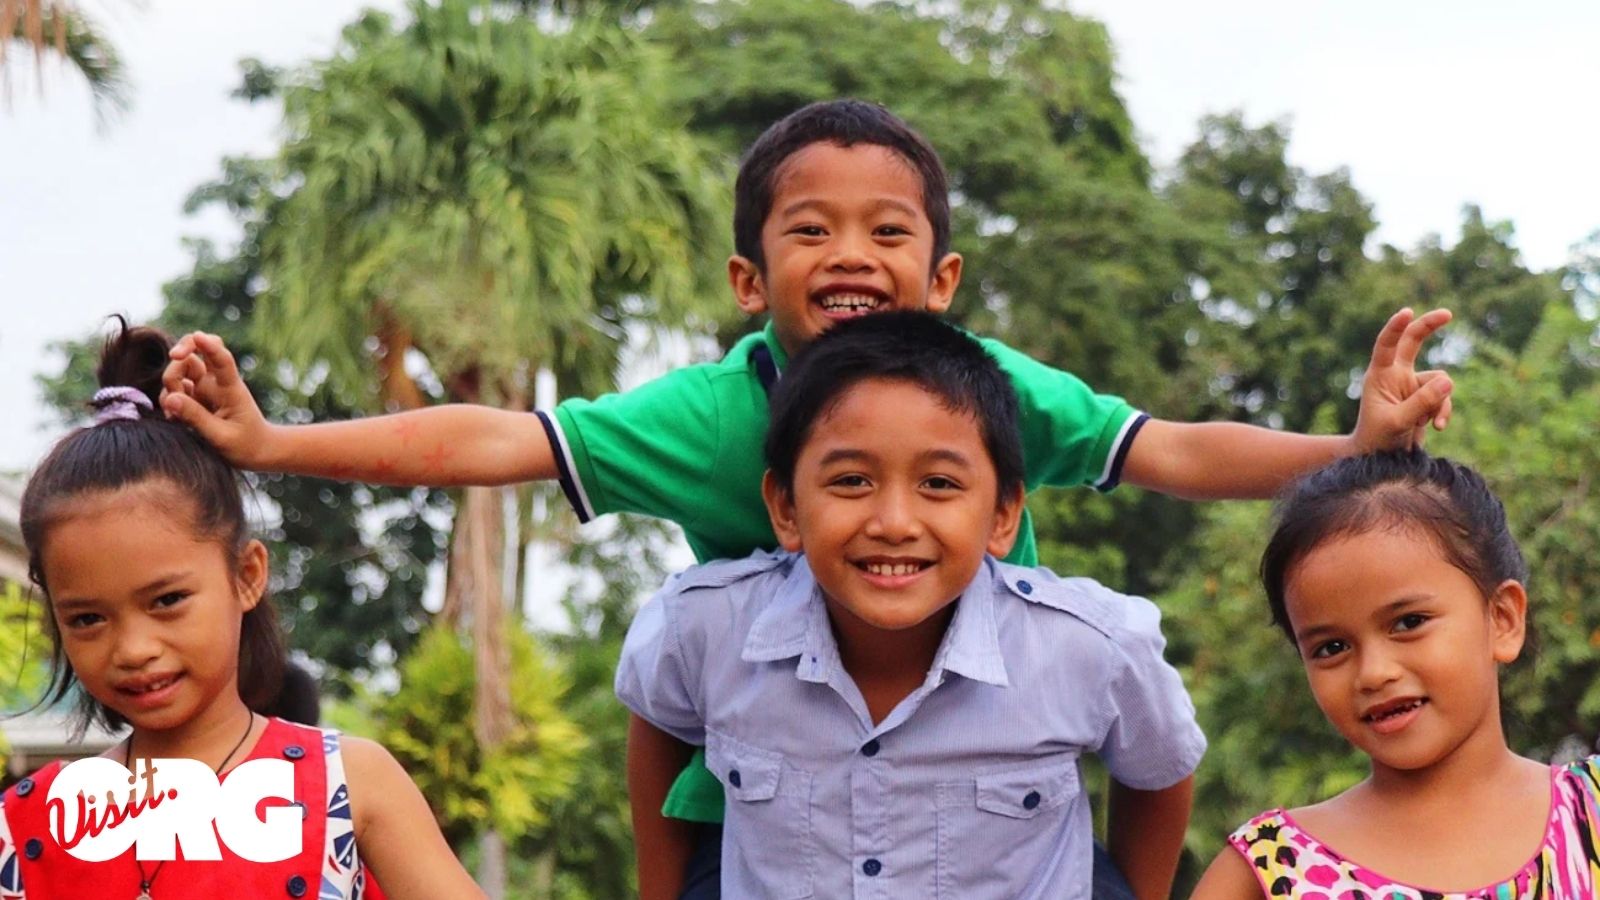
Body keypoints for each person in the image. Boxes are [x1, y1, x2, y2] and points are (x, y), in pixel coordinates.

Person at [157, 100, 1453, 898]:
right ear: (747, 278)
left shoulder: (994, 393)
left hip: (995, 812)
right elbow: (496, 441)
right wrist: (274, 442)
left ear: (941, 278)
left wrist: (1345, 444)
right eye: (810, 230)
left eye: (886, 231)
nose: (850, 254)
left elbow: (1169, 451)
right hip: (774, 809)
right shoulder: (712, 416)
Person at [616, 311, 1206, 899]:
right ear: (786, 508)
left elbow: (1160, 771)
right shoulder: (703, 628)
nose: (894, 524)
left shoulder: (1090, 648)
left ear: (1003, 514)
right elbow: (658, 723)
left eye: (939, 484)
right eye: (851, 481)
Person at [0, 323, 484, 900]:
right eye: (87, 619)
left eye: (167, 601)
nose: (133, 649)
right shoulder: (26, 827)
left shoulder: (349, 786)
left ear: (247, 575)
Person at [1191, 450, 1598, 899]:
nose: (1374, 673)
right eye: (1331, 648)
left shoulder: (1592, 810)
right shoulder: (1271, 869)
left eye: (1408, 623)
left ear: (1502, 619)